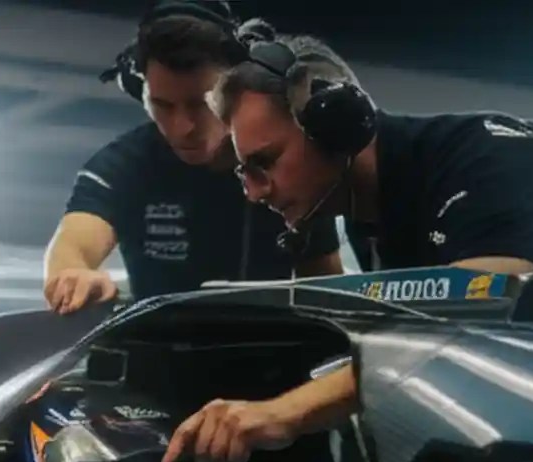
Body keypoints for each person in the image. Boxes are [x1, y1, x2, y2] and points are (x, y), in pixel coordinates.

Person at [160, 32, 533, 462]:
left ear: (337, 124)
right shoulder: (371, 214)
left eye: (263, 164)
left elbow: (463, 330)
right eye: (244, 173)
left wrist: (280, 415)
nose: (255, 192)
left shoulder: (489, 156)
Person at [42, 1, 343, 315]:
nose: (182, 128)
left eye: (201, 103)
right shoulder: (125, 165)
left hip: (270, 359)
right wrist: (72, 276)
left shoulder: (285, 165)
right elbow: (72, 245)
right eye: (162, 105)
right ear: (140, 91)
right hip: (153, 360)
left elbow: (327, 288)